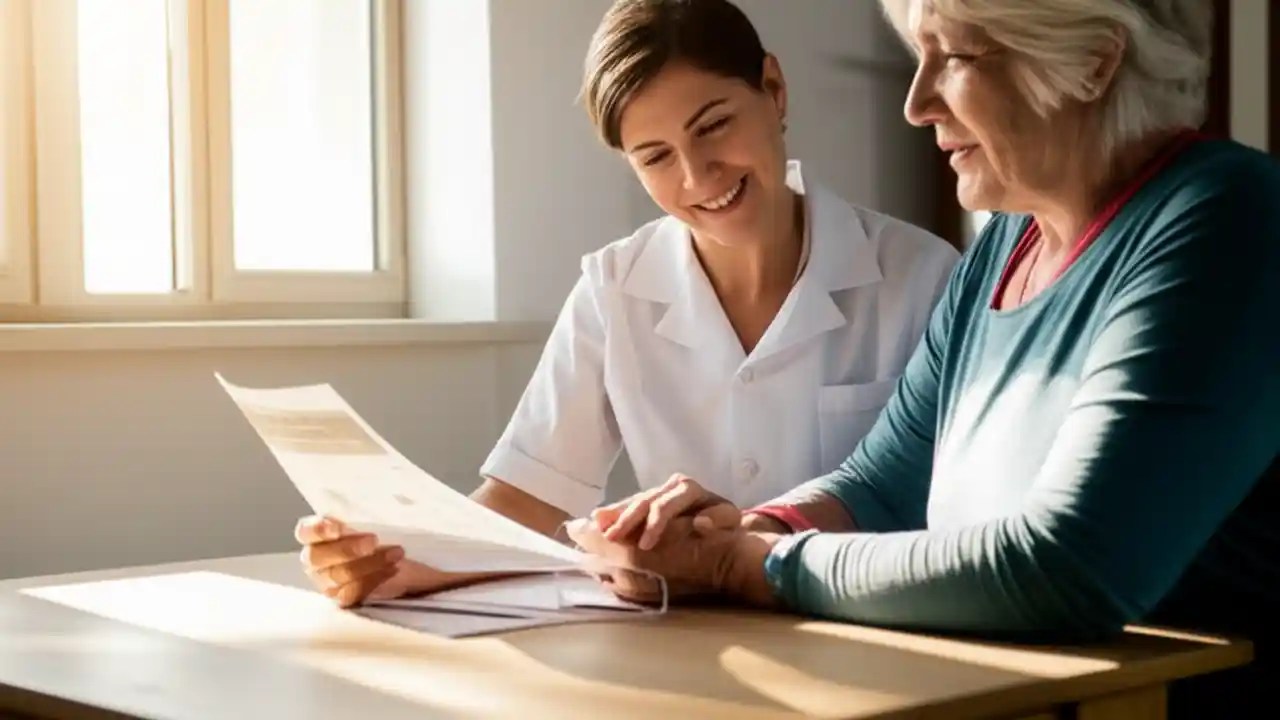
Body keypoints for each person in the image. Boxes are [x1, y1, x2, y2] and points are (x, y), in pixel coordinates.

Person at [568, 0, 1279, 711]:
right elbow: (881, 486)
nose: (917, 102)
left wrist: (749, 563)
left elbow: (1065, 566)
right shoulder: (1003, 246)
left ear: (1094, 62)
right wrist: (738, 530)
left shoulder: (1226, 218)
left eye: (957, 57)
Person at [293, 0, 959, 609]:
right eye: (656, 157)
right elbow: (524, 501)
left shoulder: (925, 278)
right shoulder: (615, 288)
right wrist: (388, 557)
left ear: (774, 91)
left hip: (864, 631)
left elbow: (954, 515)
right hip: (684, 647)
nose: (698, 177)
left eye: (715, 126)